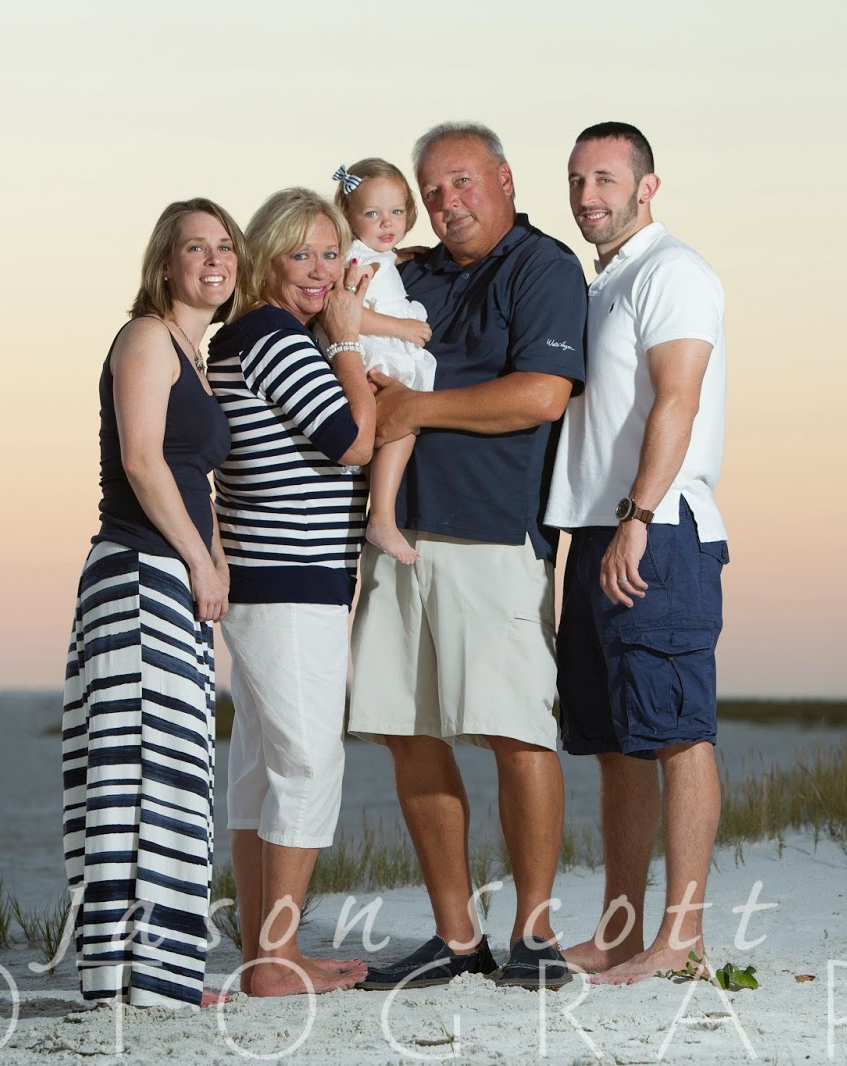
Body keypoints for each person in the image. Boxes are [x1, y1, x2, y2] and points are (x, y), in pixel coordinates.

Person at [348, 122, 587, 991]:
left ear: (505, 179)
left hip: (494, 533)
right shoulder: (410, 274)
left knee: (517, 730)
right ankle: (457, 940)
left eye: (462, 182)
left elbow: (541, 395)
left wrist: (417, 408)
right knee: (406, 730)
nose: (446, 202)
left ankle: (534, 935)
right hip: (397, 533)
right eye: (431, 191)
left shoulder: (543, 267)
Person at [544, 122, 730, 984]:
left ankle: (679, 941)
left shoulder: (672, 272)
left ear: (648, 187)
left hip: (659, 529)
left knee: (677, 733)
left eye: (607, 179)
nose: (588, 196)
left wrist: (639, 514)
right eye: (577, 180)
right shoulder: (604, 284)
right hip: (595, 531)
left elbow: (677, 400)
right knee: (618, 741)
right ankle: (621, 931)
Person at [60, 198, 243, 1009]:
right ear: (164, 264)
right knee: (135, 776)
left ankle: (163, 976)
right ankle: (127, 981)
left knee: (173, 772)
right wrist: (201, 560)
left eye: (225, 246)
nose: (215, 260)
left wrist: (215, 559)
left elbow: (195, 477)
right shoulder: (145, 337)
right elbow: (141, 462)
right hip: (138, 574)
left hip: (173, 578)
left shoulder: (194, 357)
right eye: (195, 247)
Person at [208, 187, 376, 997]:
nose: (320, 271)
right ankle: (277, 959)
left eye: (330, 253)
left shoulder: (243, 336)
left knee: (262, 769)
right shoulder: (277, 339)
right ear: (266, 260)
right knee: (307, 765)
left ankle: (262, 954)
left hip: (266, 581)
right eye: (300, 254)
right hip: (289, 584)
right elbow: (353, 442)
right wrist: (346, 343)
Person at [331, 158, 437, 565]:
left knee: (399, 428)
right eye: (372, 214)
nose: (387, 222)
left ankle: (379, 515)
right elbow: (347, 314)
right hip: (376, 350)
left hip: (380, 347)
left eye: (396, 211)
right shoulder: (360, 262)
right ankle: (382, 518)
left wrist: (398, 256)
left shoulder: (377, 256)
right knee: (403, 424)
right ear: (348, 217)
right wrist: (401, 328)